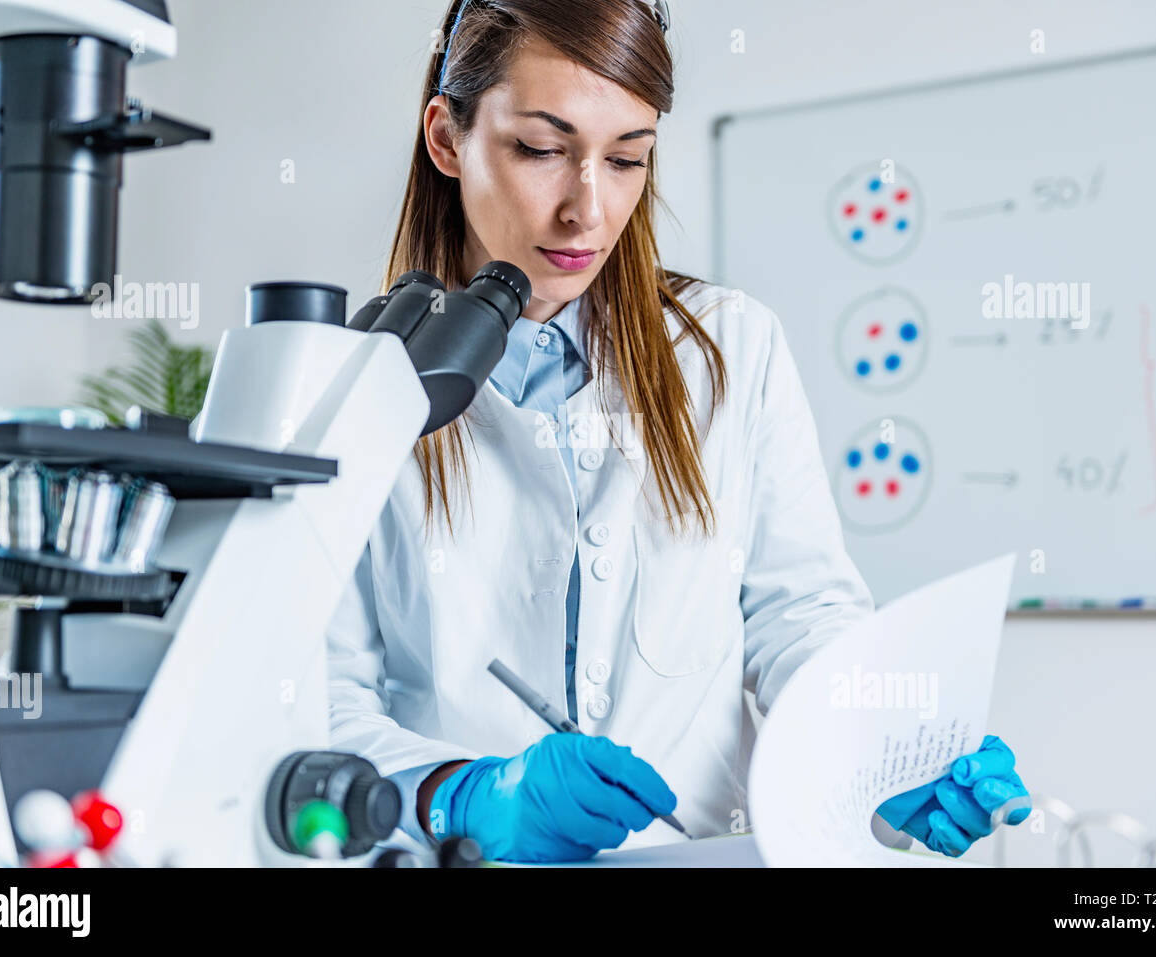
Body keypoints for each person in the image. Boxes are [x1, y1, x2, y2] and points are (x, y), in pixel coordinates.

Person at [326, 0, 1030, 864]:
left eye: (627, 158)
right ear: (446, 138)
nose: (589, 208)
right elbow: (317, 694)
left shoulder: (731, 347)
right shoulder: (348, 386)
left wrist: (888, 745)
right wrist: (460, 794)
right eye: (543, 150)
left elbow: (800, 612)